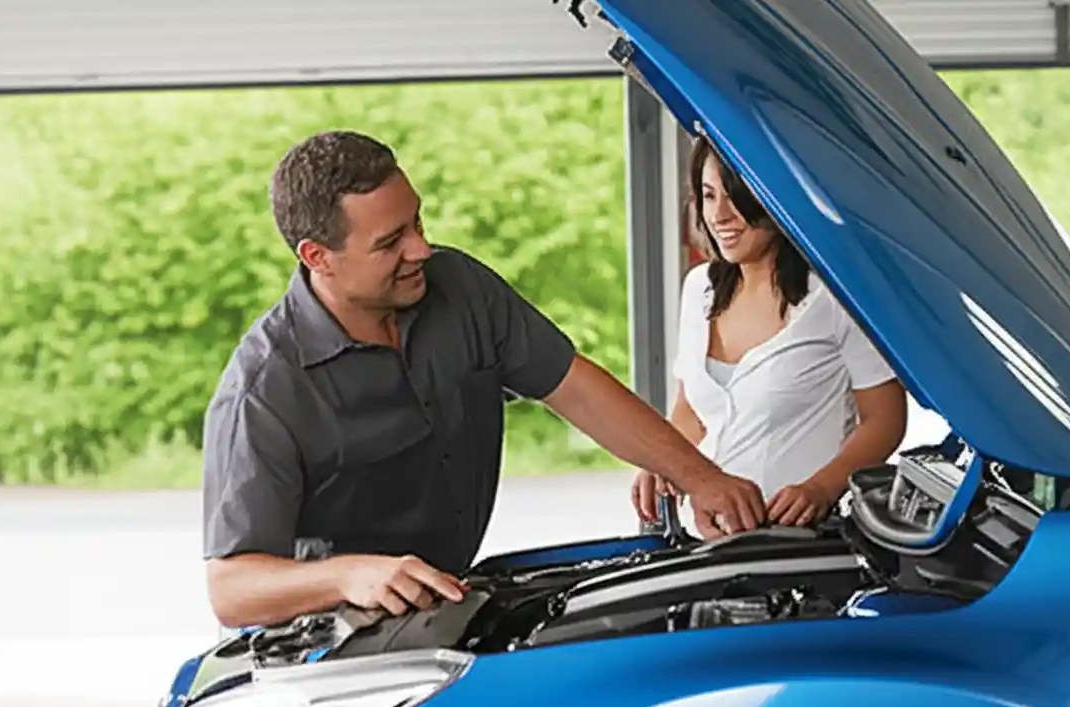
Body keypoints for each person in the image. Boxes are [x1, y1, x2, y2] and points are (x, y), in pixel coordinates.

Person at [201, 130, 766, 629]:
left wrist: (700, 478)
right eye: (389, 242)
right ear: (317, 257)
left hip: (448, 610)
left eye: (416, 222)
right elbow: (231, 590)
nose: (420, 248)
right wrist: (347, 576)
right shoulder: (265, 390)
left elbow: (574, 388)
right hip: (331, 654)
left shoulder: (460, 288)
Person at [632, 138, 907, 529]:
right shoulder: (699, 289)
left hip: (796, 543)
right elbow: (690, 412)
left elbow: (885, 419)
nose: (720, 215)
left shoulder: (835, 299)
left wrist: (821, 489)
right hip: (702, 538)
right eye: (708, 197)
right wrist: (662, 463)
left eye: (736, 197)